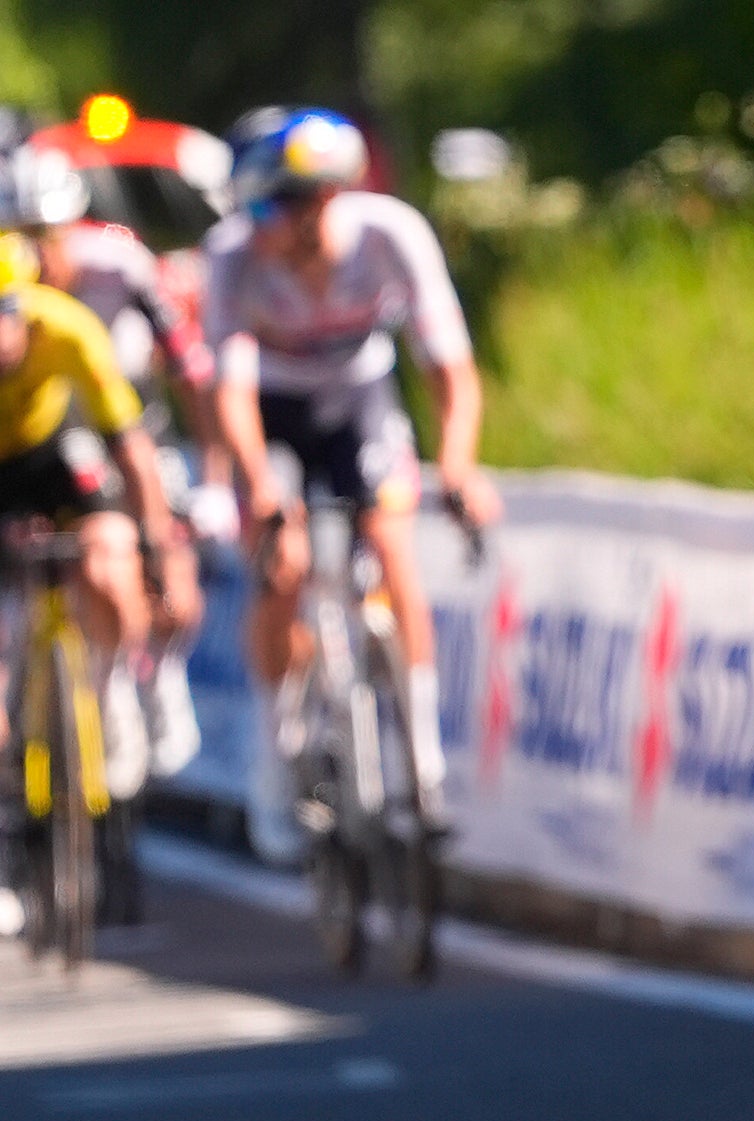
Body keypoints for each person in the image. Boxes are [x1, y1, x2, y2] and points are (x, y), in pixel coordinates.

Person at [205, 107, 498, 864]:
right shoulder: (233, 257)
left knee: (389, 540)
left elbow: (451, 373)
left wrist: (459, 466)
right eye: (252, 209)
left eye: (269, 206)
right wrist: (262, 492)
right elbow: (230, 393)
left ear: (323, 200)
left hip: (357, 399)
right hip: (270, 407)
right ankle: (277, 754)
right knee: (284, 567)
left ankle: (423, 756)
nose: (257, 224)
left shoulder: (391, 235)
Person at [10, 140, 217, 778]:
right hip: (44, 435)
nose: (39, 253)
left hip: (129, 416)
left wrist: (213, 475)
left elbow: (189, 369)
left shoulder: (120, 263)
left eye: (49, 235)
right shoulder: (14, 295)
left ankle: (147, 680)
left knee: (151, 552)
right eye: (19, 236)